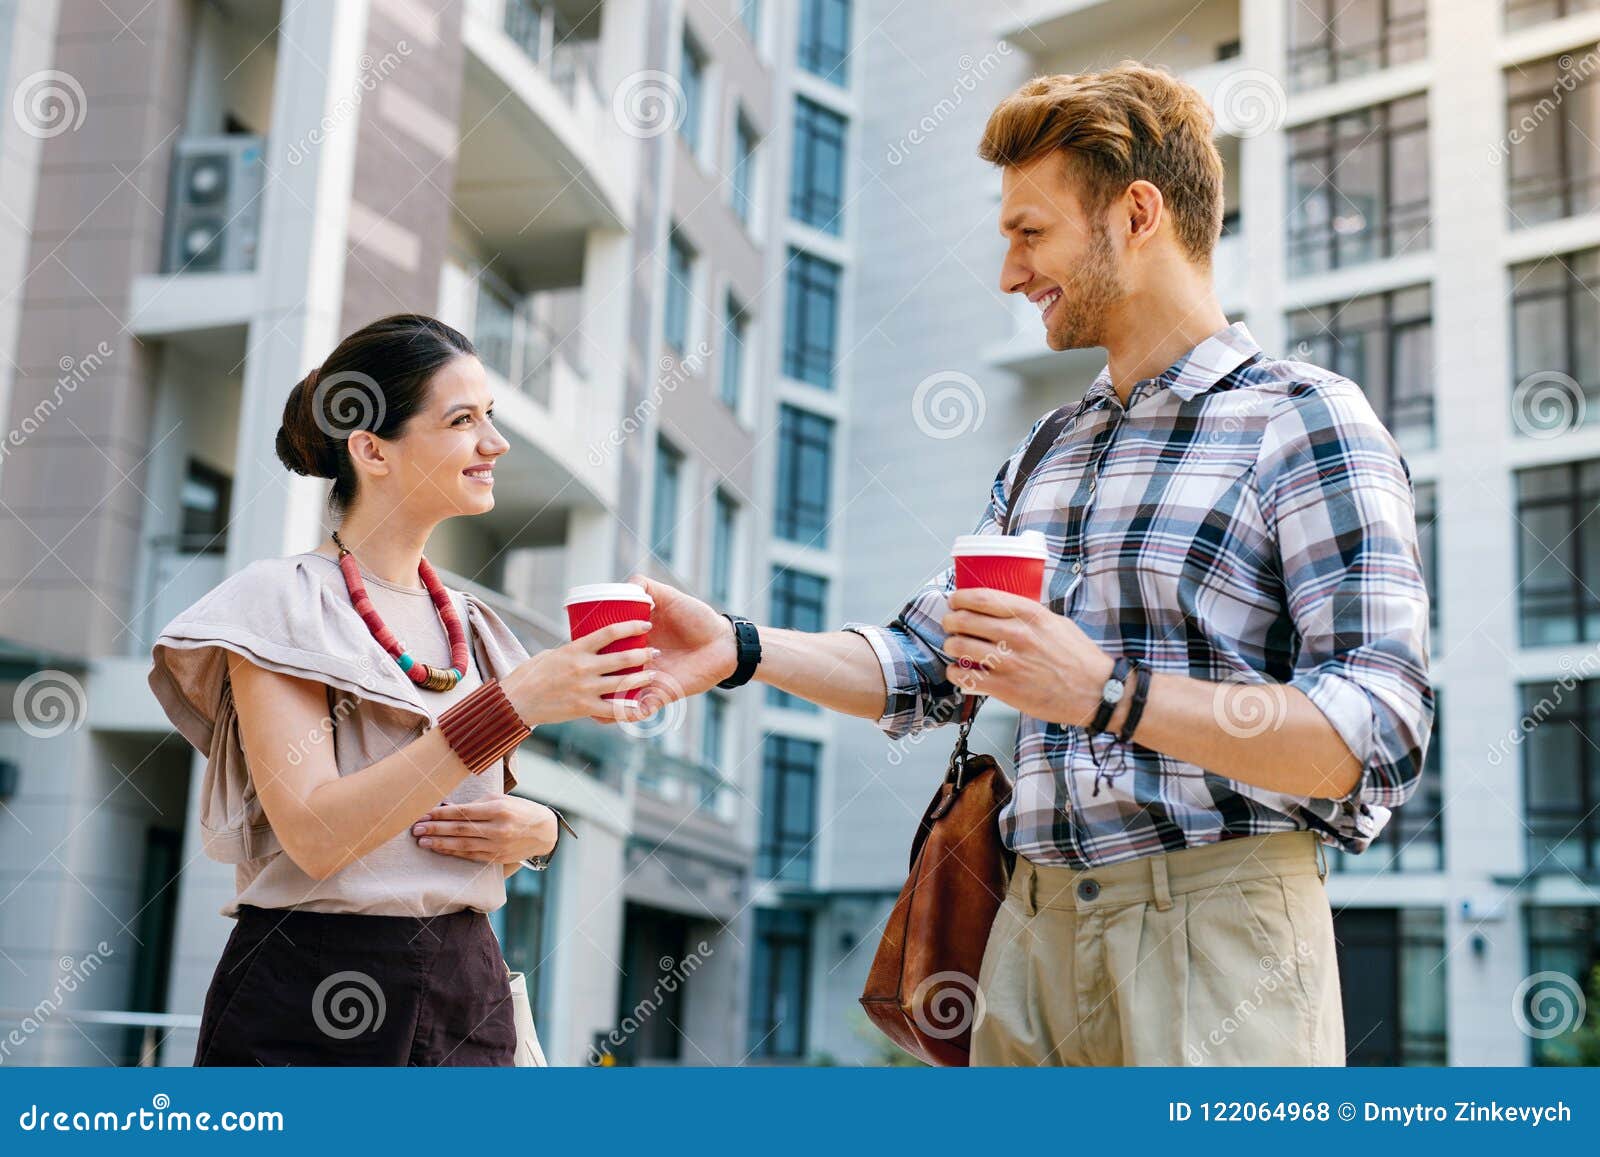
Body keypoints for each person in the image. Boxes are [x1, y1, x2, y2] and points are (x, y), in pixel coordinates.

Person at [631, 64, 1434, 1066]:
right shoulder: (1047, 449)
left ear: (1135, 215)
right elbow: (930, 660)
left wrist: (1107, 693)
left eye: (1029, 232)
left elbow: (1377, 731)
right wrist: (740, 647)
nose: (1010, 273)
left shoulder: (1303, 421)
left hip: (1218, 935)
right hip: (1029, 928)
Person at [148, 314, 658, 1065]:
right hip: (310, 988)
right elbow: (317, 835)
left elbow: (444, 822)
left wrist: (541, 834)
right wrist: (509, 707)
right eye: (462, 420)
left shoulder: (473, 625)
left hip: (466, 984)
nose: (495, 443)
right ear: (371, 449)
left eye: (491, 416)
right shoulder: (282, 603)